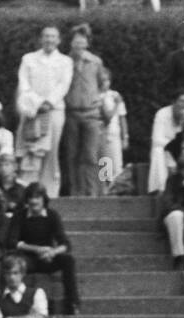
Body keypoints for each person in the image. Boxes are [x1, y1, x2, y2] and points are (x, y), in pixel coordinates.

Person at [15, 25, 73, 199]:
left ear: (59, 40)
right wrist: (37, 103)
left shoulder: (65, 61)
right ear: (41, 39)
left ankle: (49, 193)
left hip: (54, 111)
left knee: (51, 151)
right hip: (32, 110)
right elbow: (24, 83)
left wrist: (49, 103)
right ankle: (28, 189)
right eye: (46, 36)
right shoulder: (28, 59)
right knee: (30, 149)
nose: (49, 40)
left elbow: (64, 85)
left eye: (53, 37)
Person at [7, 184, 79, 317]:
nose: (34, 201)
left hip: (47, 258)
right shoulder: (20, 216)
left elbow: (65, 244)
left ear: (43, 199)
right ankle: (15, 305)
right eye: (30, 198)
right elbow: (12, 242)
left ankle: (72, 303)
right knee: (14, 263)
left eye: (37, 198)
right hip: (27, 258)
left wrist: (52, 252)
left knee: (68, 260)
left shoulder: (52, 215)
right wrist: (37, 249)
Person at [62, 23, 104, 197]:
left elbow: (101, 84)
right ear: (71, 43)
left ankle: (92, 193)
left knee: (91, 156)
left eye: (82, 41)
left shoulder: (95, 62)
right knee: (71, 155)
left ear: (87, 43)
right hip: (71, 114)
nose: (79, 44)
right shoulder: (64, 61)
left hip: (91, 115)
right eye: (76, 41)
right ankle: (74, 192)